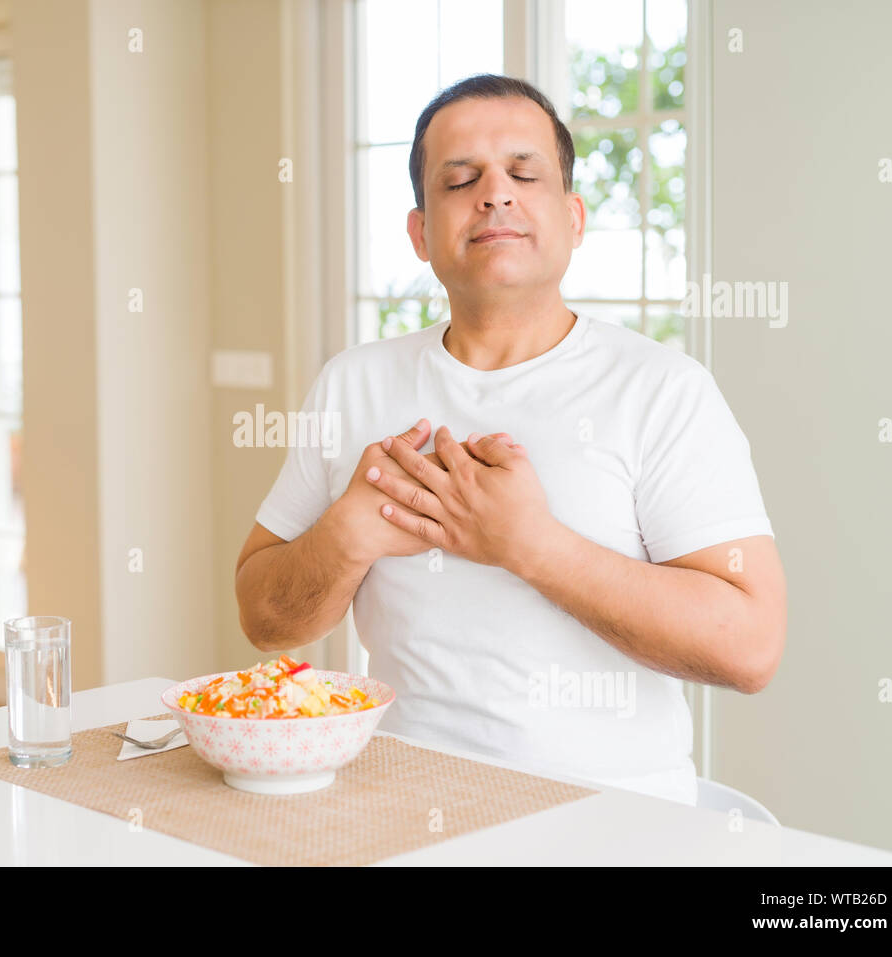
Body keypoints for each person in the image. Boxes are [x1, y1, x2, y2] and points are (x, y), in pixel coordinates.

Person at [233, 74, 786, 806]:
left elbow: (750, 646)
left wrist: (529, 543)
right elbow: (262, 618)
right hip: (398, 808)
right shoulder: (352, 385)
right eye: (461, 179)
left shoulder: (662, 390)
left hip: (616, 821)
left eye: (524, 173)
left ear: (574, 216)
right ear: (421, 233)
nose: (495, 193)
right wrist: (347, 535)